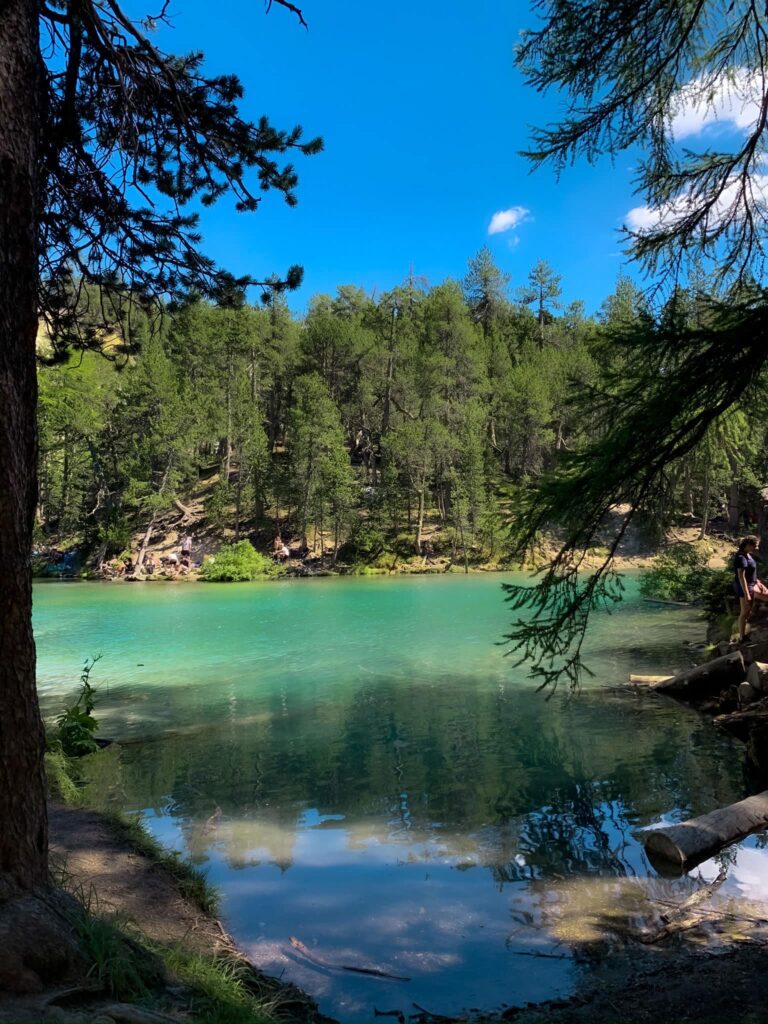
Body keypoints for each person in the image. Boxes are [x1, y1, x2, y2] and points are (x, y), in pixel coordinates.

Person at [734, 535, 768, 642]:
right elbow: (741, 577)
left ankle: (743, 635)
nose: (757, 548)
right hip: (744, 586)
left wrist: (757, 581)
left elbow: (751, 571)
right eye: (755, 546)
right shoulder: (741, 558)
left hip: (753, 584)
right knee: (745, 612)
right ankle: (742, 637)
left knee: (748, 611)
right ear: (748, 545)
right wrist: (747, 593)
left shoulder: (748, 554)